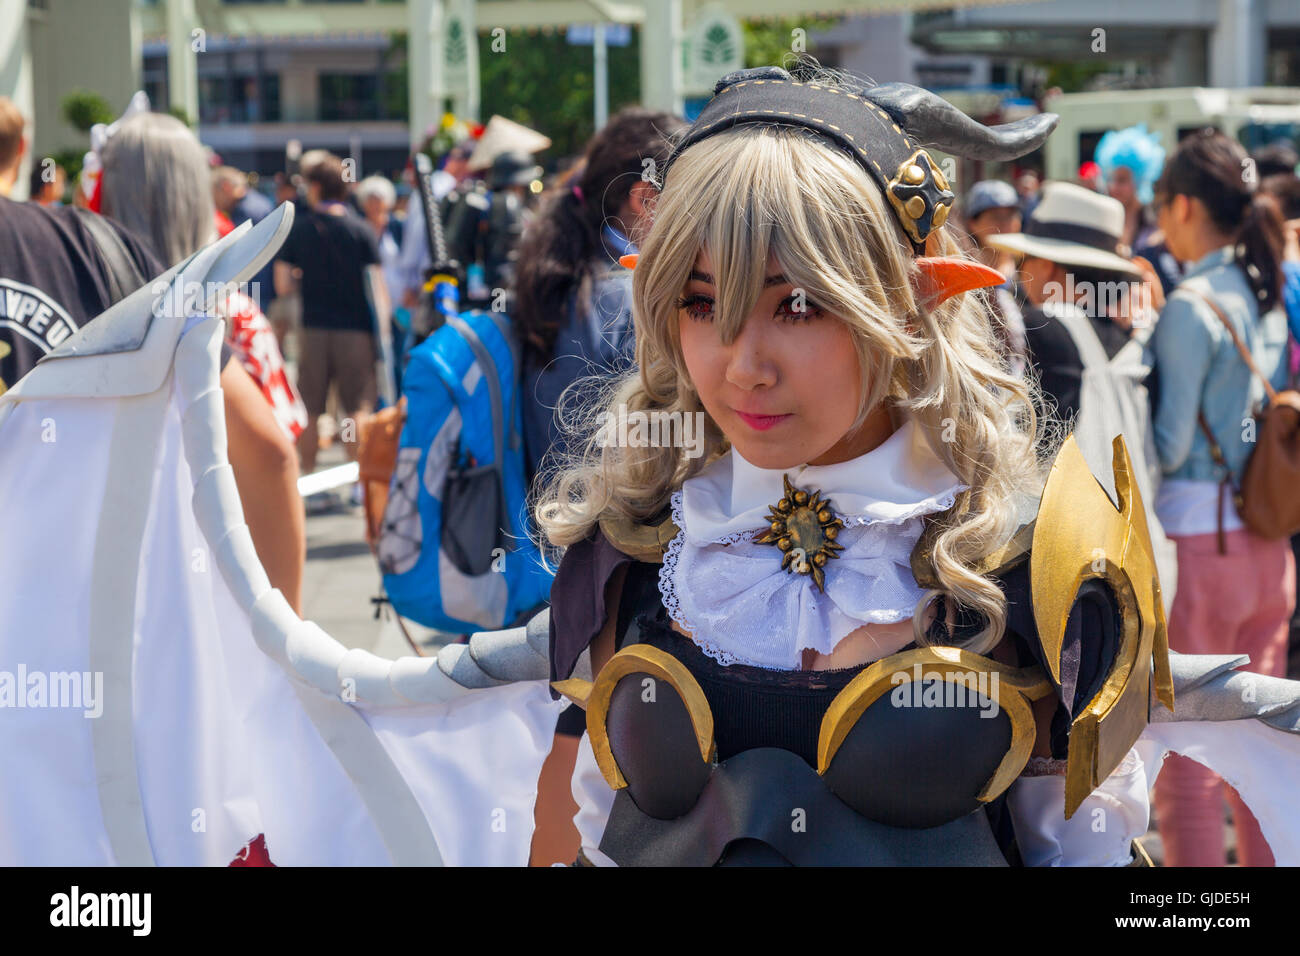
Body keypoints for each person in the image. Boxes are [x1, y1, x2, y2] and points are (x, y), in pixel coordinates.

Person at [509, 106, 685, 864]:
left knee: (548, 797)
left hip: (541, 572)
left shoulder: (548, 285)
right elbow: (655, 451)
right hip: (615, 590)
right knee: (590, 800)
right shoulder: (627, 300)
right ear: (646, 201)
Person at [1148, 129, 1294, 867]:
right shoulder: (1265, 294)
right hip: (1269, 549)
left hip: (1200, 552)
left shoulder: (1190, 304)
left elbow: (1169, 446)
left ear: (1179, 206)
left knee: (1190, 761)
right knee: (1256, 747)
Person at [99, 111, 306, 613]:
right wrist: (288, 635)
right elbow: (275, 453)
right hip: (213, 594)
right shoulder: (227, 315)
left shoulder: (90, 313)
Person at [274, 152, 389, 474]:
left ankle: (307, 475)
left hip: (313, 329)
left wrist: (303, 277)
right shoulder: (361, 229)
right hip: (356, 331)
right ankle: (359, 480)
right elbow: (378, 291)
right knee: (357, 408)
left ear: (315, 187)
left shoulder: (299, 229)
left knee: (310, 408)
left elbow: (282, 284)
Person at [959, 179, 1027, 367]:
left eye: (1011, 215)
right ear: (973, 223)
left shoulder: (1030, 270)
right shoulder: (966, 277)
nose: (1006, 224)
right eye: (996, 216)